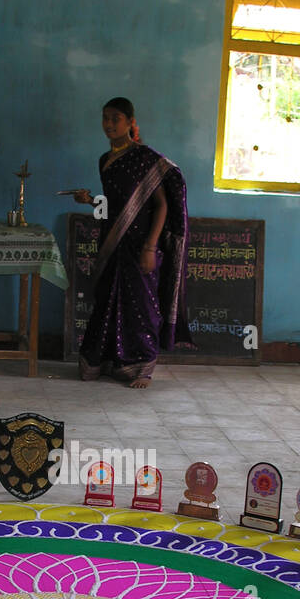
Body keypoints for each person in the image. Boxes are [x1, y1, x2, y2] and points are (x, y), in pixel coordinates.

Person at [73, 97, 190, 389]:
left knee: (141, 306)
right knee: (107, 302)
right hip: (112, 242)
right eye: (105, 118)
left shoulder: (147, 159)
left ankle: (141, 368)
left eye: (115, 118)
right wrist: (90, 201)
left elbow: (162, 206)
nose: (109, 124)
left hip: (141, 245)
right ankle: (106, 361)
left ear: (130, 122)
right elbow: (113, 206)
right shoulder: (105, 160)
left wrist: (150, 247)